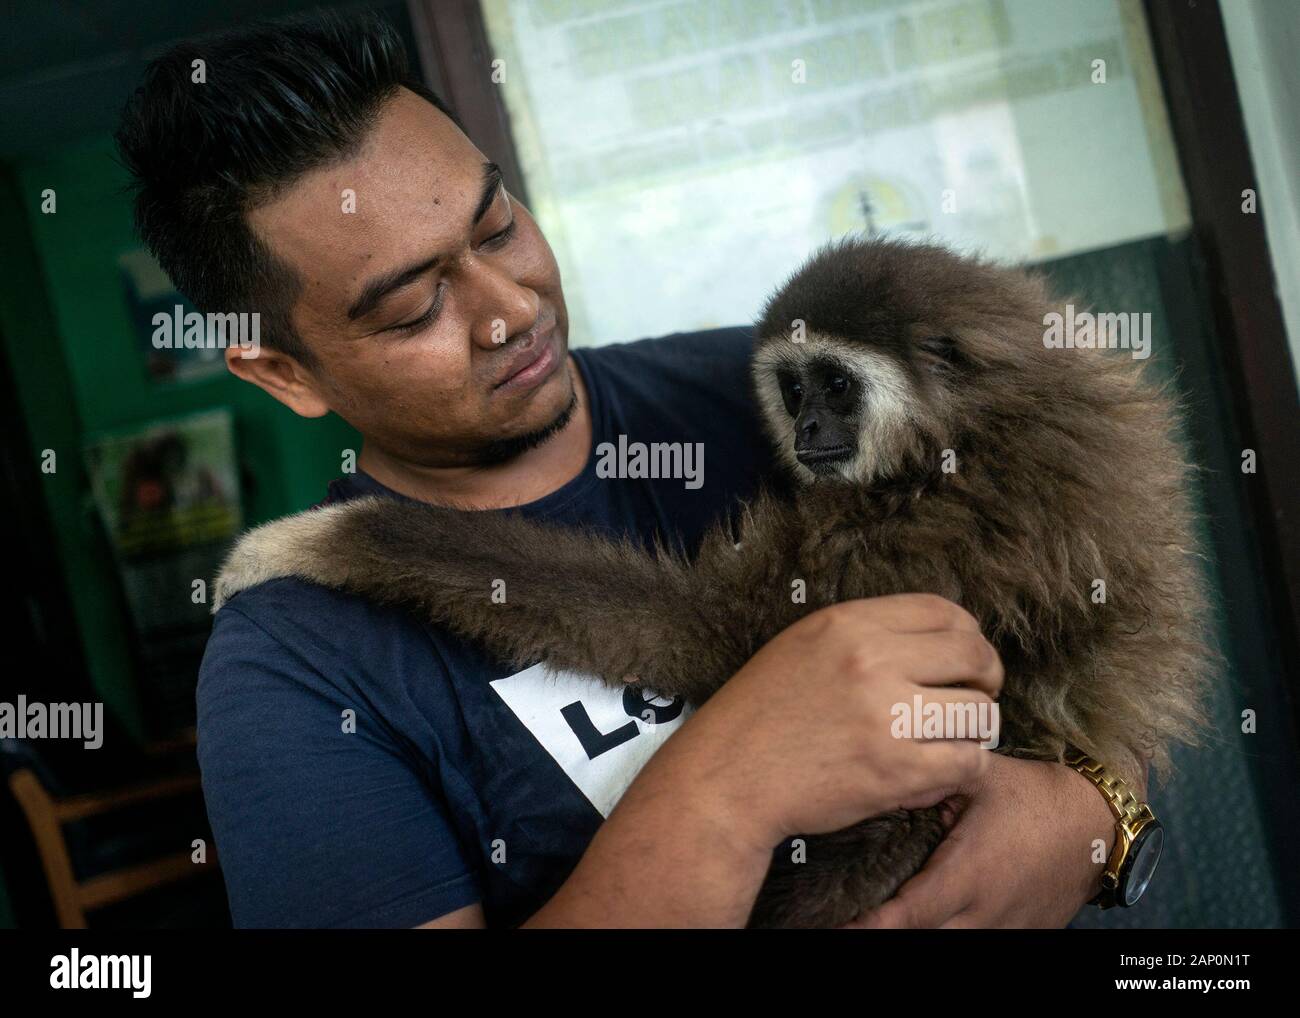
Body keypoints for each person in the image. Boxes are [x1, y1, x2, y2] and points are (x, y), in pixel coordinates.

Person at [116, 13, 1130, 928]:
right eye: (412, 307)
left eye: (496, 226)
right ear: (284, 371)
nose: (509, 307)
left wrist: (1091, 817)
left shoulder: (782, 389)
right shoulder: (292, 667)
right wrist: (726, 789)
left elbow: (1098, 634)